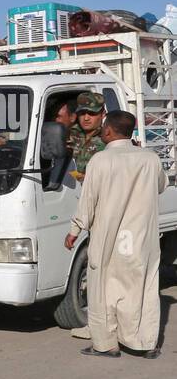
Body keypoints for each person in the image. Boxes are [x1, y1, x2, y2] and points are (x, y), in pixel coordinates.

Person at [65, 110, 168, 358]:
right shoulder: (150, 158)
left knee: (102, 289)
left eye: (103, 127)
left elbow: (88, 201)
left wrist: (74, 230)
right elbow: (162, 185)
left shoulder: (100, 160)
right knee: (142, 287)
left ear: (109, 131)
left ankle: (106, 344)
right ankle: (145, 343)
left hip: (108, 237)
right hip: (141, 238)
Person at [67, 91, 107, 183]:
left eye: (92, 113)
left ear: (103, 114)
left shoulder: (108, 138)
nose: (86, 118)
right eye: (82, 113)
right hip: (69, 192)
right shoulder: (69, 134)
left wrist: (74, 175)